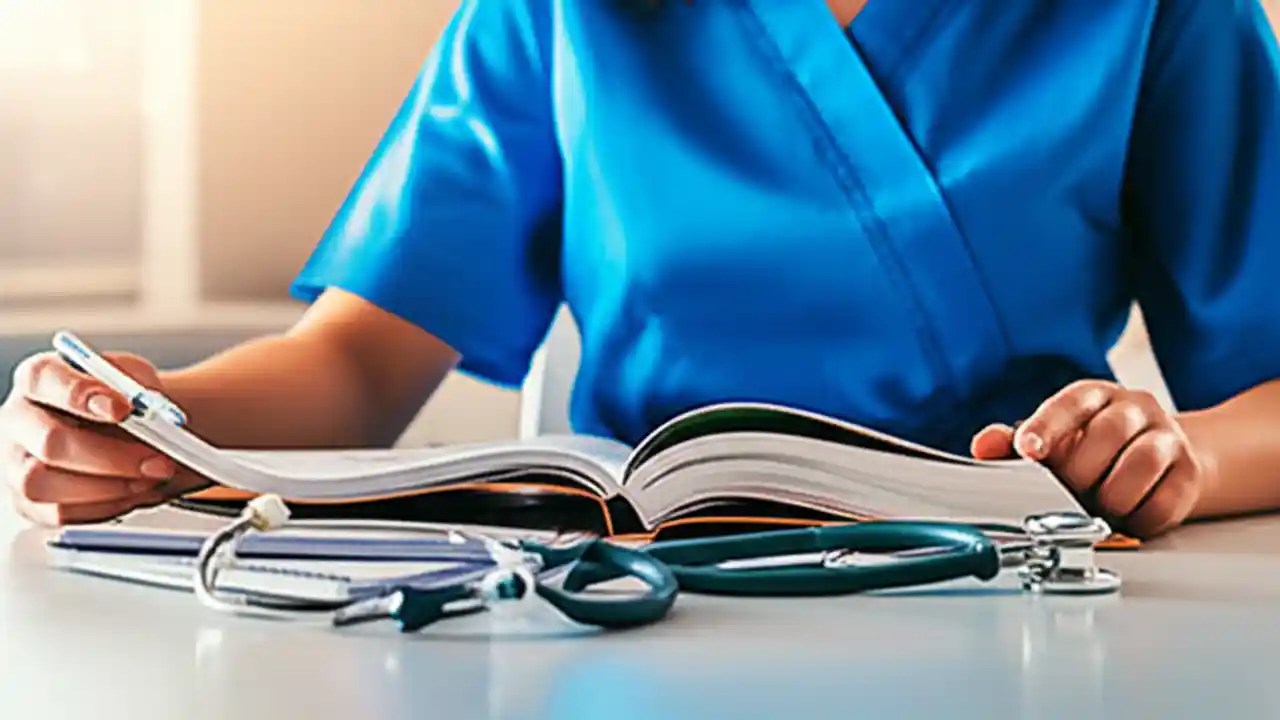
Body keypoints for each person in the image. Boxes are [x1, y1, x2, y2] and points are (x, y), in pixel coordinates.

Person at [4, 0, 1280, 538]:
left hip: (1010, 590)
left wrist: (1168, 461)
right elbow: (354, 362)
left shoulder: (1160, 12)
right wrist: (166, 424)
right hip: (625, 583)